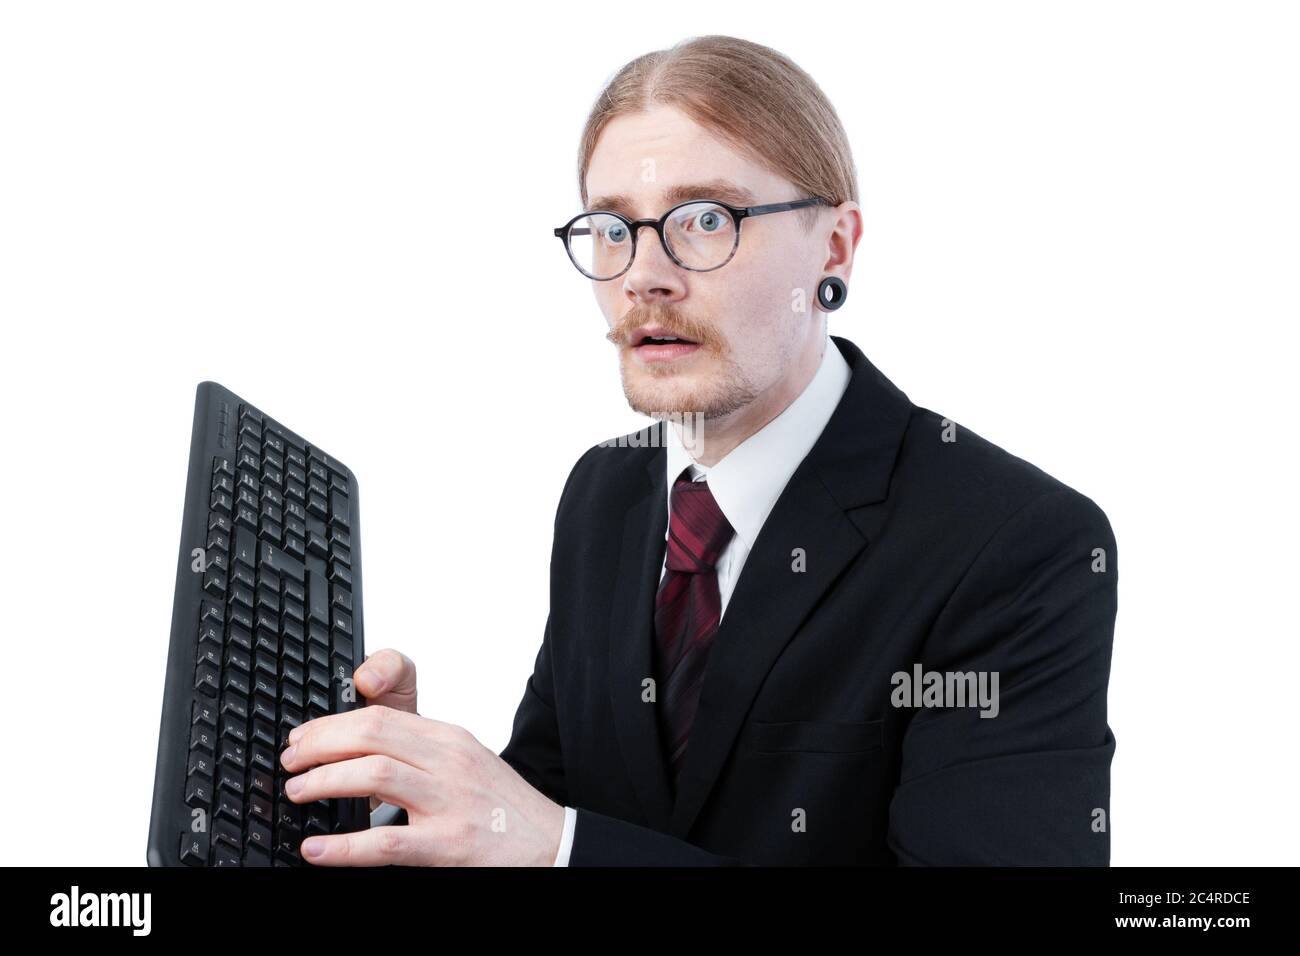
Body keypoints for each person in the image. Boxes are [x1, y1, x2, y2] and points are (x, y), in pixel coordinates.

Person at [278, 34, 1118, 866]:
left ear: (834, 248)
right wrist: (402, 792)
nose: (644, 275)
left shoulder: (1018, 545)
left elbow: (561, 840)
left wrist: (561, 848)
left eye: (707, 218)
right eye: (614, 228)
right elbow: (551, 800)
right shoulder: (607, 492)